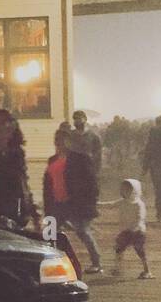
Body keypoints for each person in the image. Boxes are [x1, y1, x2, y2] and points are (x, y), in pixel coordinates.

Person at [43, 125, 103, 273]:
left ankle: (96, 262)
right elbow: (48, 184)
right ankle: (51, 262)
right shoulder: (52, 160)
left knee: (82, 231)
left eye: (62, 140)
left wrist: (90, 200)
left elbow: (91, 181)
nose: (59, 143)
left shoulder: (79, 158)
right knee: (50, 232)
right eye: (56, 140)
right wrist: (47, 206)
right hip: (56, 203)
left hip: (74, 202)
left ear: (69, 141)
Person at [101, 178, 152, 279]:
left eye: (127, 189)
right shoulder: (122, 202)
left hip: (137, 232)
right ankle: (117, 269)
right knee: (119, 249)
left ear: (134, 191)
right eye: (123, 189)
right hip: (126, 231)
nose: (124, 191)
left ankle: (147, 271)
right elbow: (110, 204)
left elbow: (140, 217)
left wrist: (134, 228)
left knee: (140, 251)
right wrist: (96, 204)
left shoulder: (139, 204)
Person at [71, 110, 102, 175]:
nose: (77, 121)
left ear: (85, 119)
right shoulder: (70, 136)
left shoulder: (94, 137)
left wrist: (97, 172)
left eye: (79, 118)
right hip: (74, 171)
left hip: (89, 171)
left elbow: (98, 156)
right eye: (75, 119)